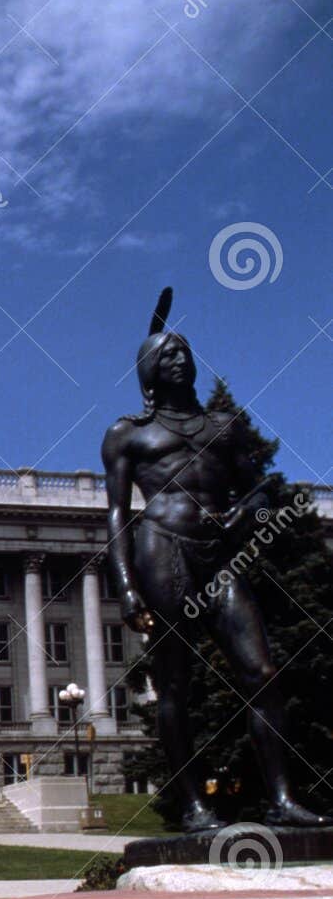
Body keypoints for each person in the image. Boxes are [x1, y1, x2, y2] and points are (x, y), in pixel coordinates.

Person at [101, 286, 329, 832]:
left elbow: (258, 488)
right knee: (175, 682)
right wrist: (127, 588)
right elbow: (115, 515)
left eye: (185, 351)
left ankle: (280, 799)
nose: (180, 359)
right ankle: (193, 805)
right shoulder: (127, 434)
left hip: (220, 557)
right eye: (167, 354)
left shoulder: (221, 426)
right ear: (149, 372)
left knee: (263, 673)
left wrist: (244, 514)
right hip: (163, 549)